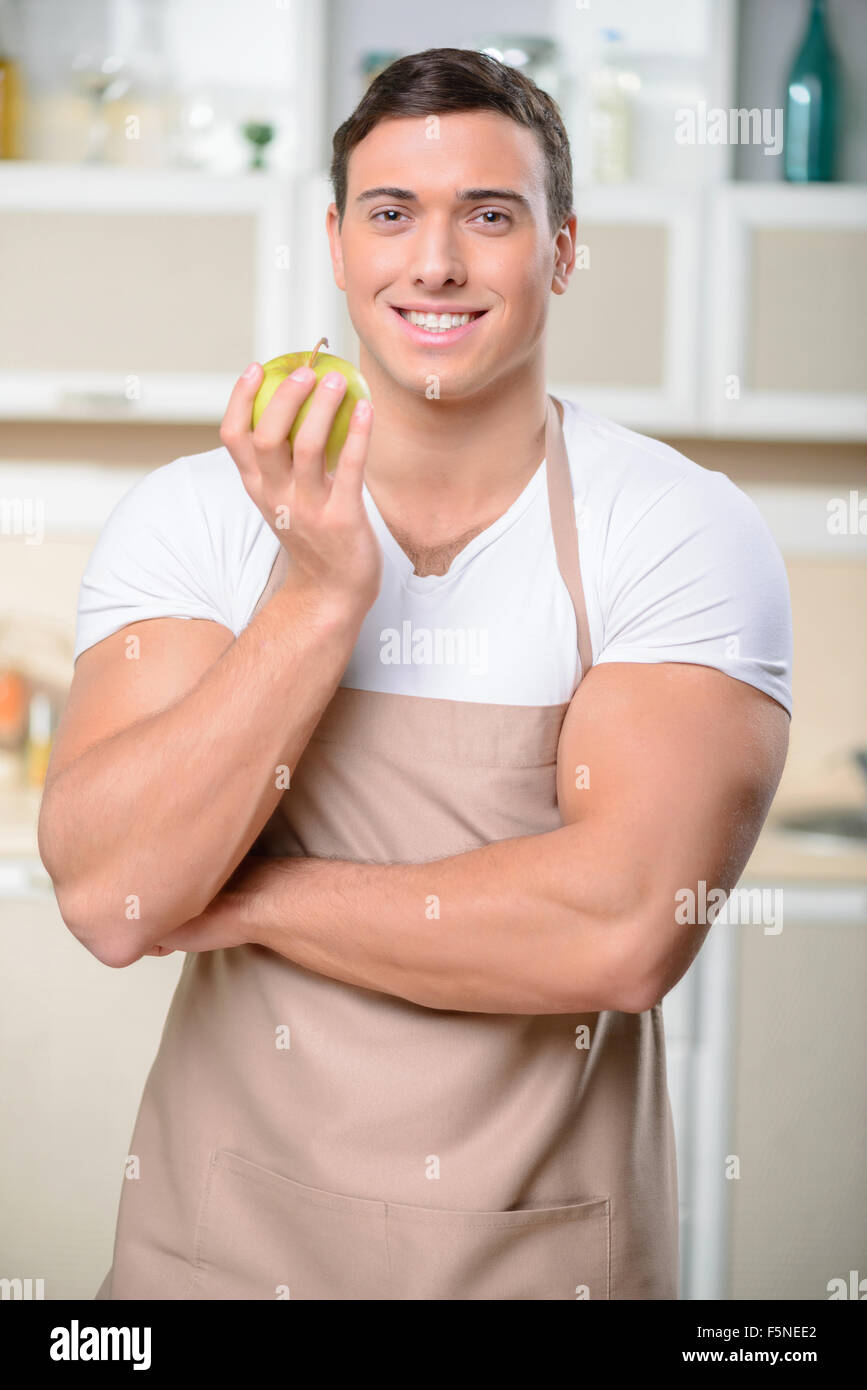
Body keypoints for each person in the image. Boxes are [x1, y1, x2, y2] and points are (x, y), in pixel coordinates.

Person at [39, 48, 792, 1301]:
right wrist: (319, 595)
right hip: (217, 1258)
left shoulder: (676, 529)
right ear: (338, 244)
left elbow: (624, 928)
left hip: (545, 1265)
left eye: (487, 216)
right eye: (392, 214)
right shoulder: (193, 520)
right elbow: (114, 894)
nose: (433, 262)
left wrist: (245, 899)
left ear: (561, 250)